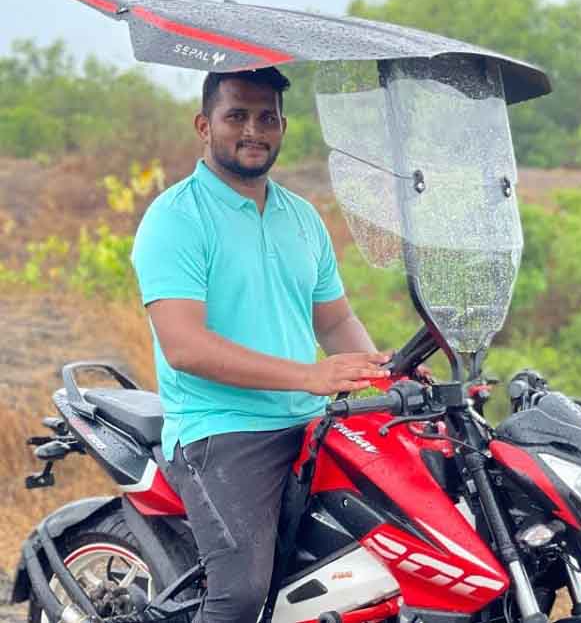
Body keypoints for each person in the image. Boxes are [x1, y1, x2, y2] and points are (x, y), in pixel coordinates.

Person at [131, 66, 388, 623]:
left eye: (266, 117)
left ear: (283, 126)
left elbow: (336, 319)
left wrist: (385, 376)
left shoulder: (302, 217)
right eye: (237, 116)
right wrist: (309, 377)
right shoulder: (176, 219)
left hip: (311, 422)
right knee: (242, 593)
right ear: (204, 125)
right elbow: (185, 347)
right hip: (222, 429)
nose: (254, 129)